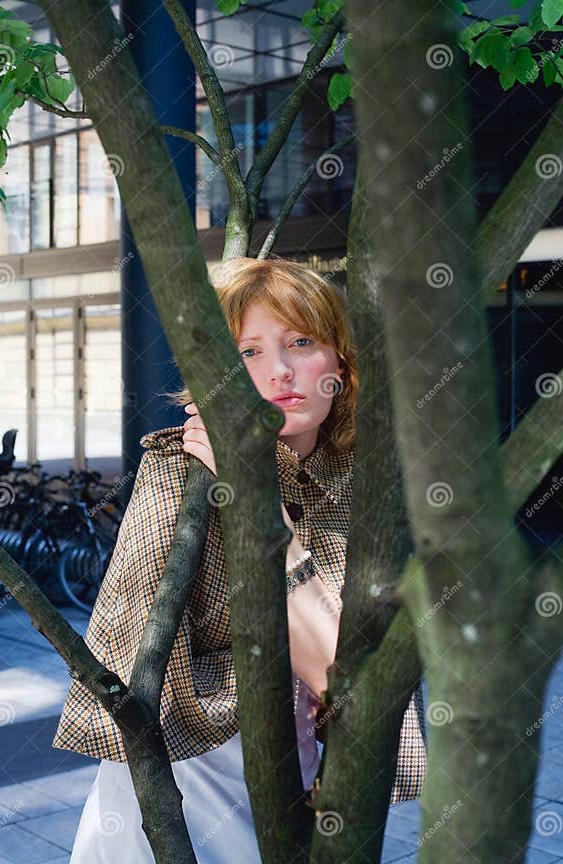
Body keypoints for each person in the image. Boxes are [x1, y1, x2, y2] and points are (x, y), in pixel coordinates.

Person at [53, 257, 425, 863]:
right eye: (248, 352)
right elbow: (140, 675)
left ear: (339, 361)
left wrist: (261, 510)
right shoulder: (182, 473)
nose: (279, 371)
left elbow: (356, 682)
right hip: (181, 794)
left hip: (295, 797)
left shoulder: (355, 485)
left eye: (301, 342)